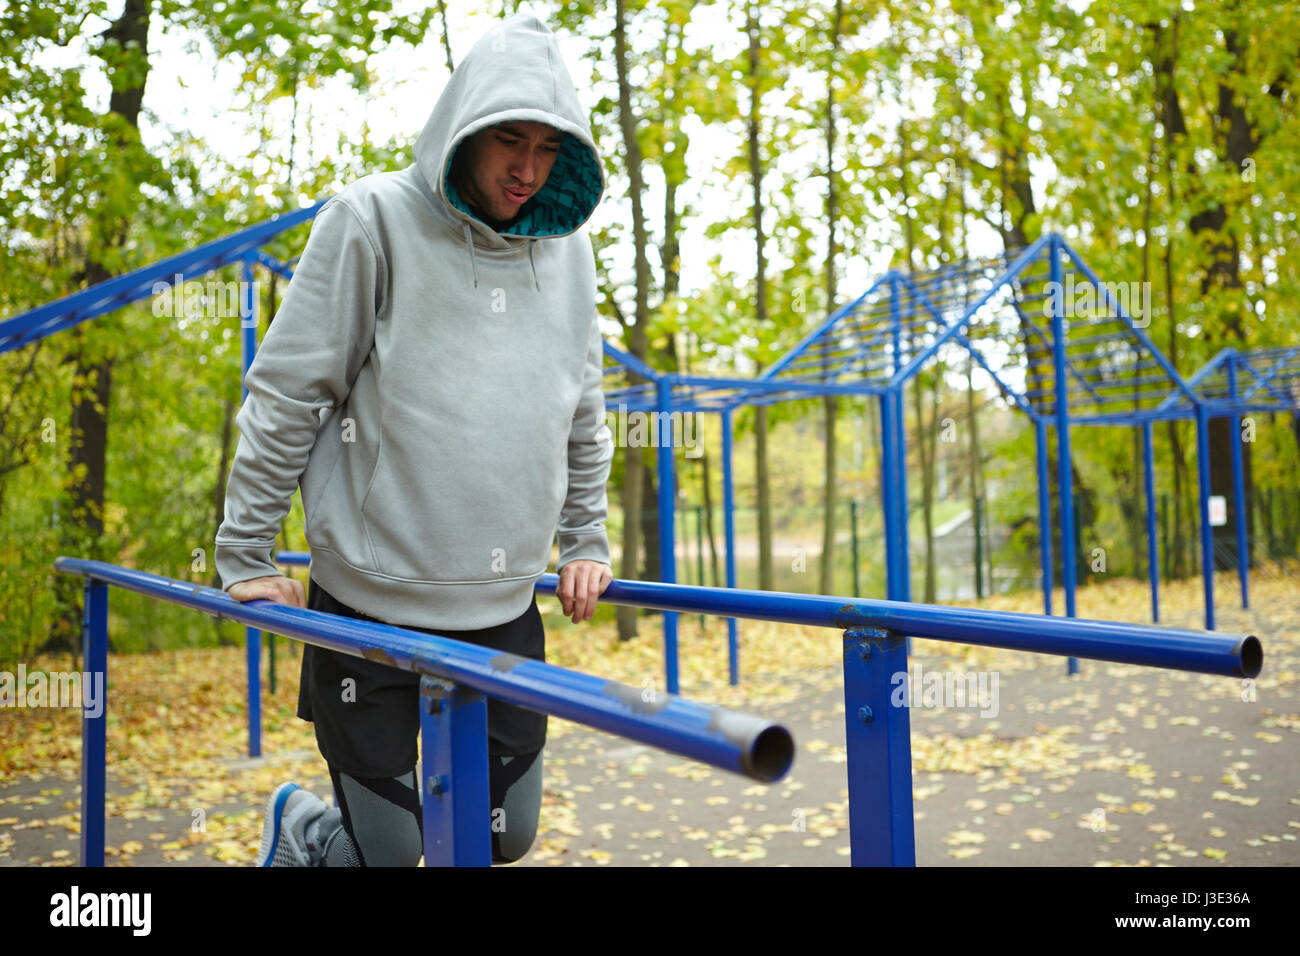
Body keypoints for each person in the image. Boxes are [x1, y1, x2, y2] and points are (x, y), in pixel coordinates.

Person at [214, 12, 614, 866]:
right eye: (509, 139)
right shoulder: (371, 222)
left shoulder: (571, 252)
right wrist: (247, 552)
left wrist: (585, 538)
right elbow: (290, 391)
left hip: (504, 602)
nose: (527, 169)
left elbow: (582, 408)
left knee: (507, 840)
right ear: (463, 126)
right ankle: (307, 829)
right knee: (392, 856)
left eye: (549, 149)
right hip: (371, 604)